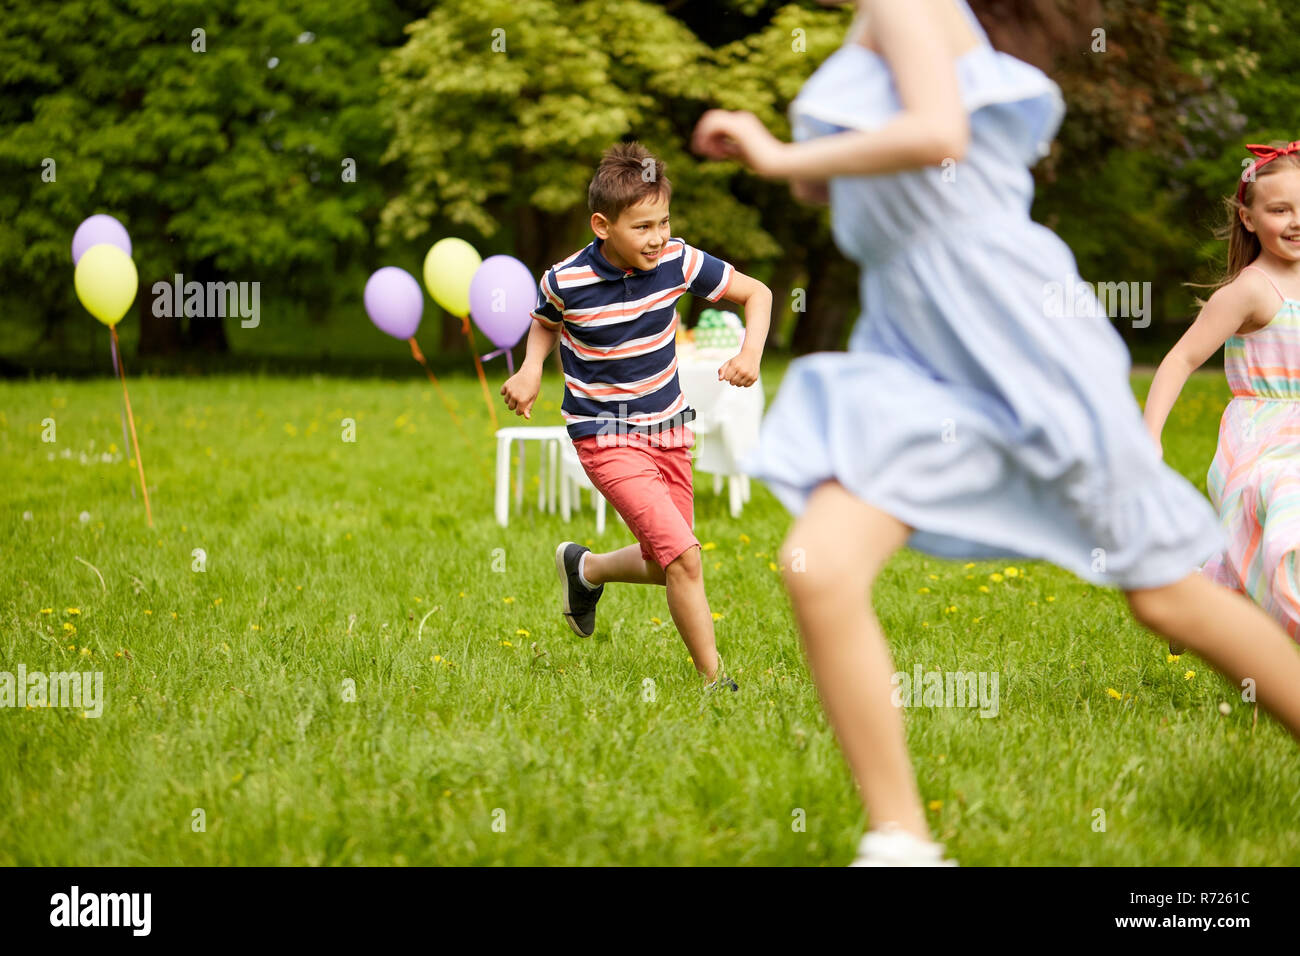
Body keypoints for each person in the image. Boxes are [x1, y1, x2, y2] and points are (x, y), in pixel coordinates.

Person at [691, 0, 1300, 865]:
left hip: (1010, 331)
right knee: (820, 566)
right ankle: (901, 842)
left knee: (1166, 596)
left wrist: (777, 151)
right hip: (917, 345)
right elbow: (877, 171)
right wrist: (807, 169)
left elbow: (938, 133)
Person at [501, 142, 773, 692]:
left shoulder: (678, 260)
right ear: (602, 225)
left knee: (663, 561)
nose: (657, 237)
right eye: (643, 226)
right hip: (605, 435)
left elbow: (758, 293)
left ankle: (586, 570)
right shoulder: (565, 280)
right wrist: (531, 368)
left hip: (670, 429)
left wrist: (750, 353)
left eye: (664, 222)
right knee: (685, 559)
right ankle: (715, 683)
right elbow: (546, 322)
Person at [1145, 141, 1300, 641]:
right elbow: (1180, 360)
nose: (1296, 221)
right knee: (1286, 523)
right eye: (1280, 209)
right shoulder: (1249, 291)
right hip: (1264, 444)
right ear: (1249, 218)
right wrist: (1149, 436)